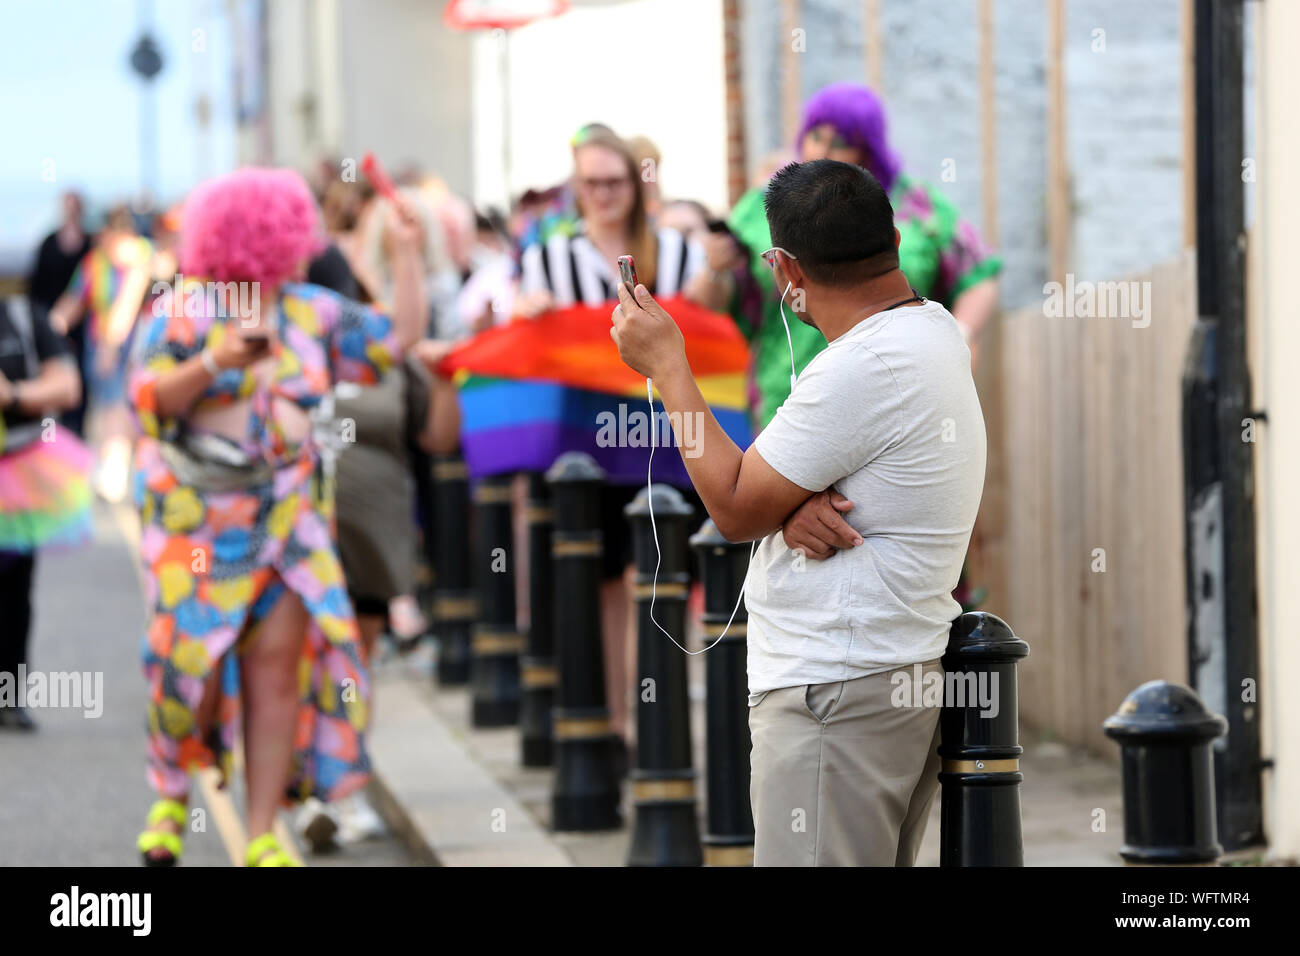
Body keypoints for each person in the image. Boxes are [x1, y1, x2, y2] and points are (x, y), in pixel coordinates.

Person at [609, 159, 986, 866]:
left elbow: (732, 504)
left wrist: (667, 367)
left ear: (784, 269)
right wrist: (785, 510)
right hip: (880, 680)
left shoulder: (861, 366)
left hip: (833, 697)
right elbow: (788, 484)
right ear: (894, 240)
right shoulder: (932, 331)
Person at [126, 167, 425, 866]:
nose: (306, 242)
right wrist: (210, 362)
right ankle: (172, 790)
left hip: (289, 522)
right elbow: (147, 401)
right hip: (193, 527)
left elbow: (397, 340)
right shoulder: (187, 310)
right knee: (185, 671)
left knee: (276, 674)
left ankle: (262, 832)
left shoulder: (312, 311)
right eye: (294, 228)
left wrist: (407, 252)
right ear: (263, 235)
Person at [512, 127, 731, 753]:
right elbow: (532, 343)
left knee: (659, 565)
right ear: (575, 188)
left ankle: (654, 718)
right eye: (591, 183)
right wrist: (530, 311)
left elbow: (709, 320)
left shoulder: (677, 251)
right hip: (591, 434)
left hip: (667, 428)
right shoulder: (549, 258)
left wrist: (714, 279)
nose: (604, 194)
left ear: (635, 184)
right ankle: (618, 718)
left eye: (614, 182)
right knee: (607, 575)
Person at [711, 82, 1001, 431]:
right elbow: (721, 293)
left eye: (841, 141)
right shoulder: (766, 203)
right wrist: (715, 268)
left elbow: (978, 273)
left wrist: (962, 336)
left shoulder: (915, 205)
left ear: (867, 150)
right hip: (789, 390)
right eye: (815, 135)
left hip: (899, 394)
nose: (822, 148)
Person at [0, 297, 91, 731]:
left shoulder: (20, 316)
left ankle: (9, 695)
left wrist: (13, 395)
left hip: (17, 473)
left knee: (14, 590)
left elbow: (67, 385)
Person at [26, 192, 92, 435]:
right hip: (51, 324)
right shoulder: (49, 243)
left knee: (81, 379)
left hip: (82, 328)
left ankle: (77, 432)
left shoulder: (89, 243)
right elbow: (35, 285)